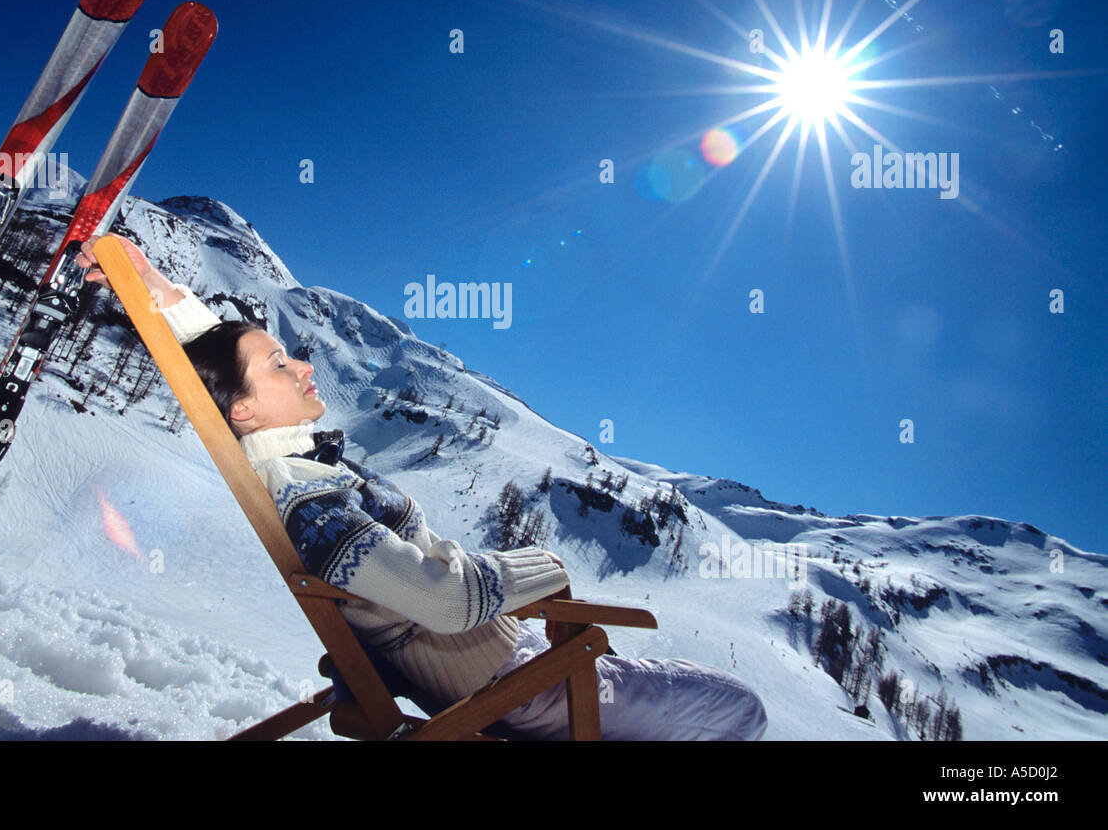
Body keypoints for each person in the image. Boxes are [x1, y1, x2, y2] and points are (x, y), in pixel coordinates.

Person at [77, 235, 768, 740]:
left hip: (520, 665)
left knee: (705, 695)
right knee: (741, 709)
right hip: (517, 691)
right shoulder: (312, 503)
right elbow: (444, 600)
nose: (305, 368)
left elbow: (217, 364)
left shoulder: (291, 462)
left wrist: (155, 291)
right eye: (282, 364)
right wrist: (545, 566)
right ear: (246, 411)